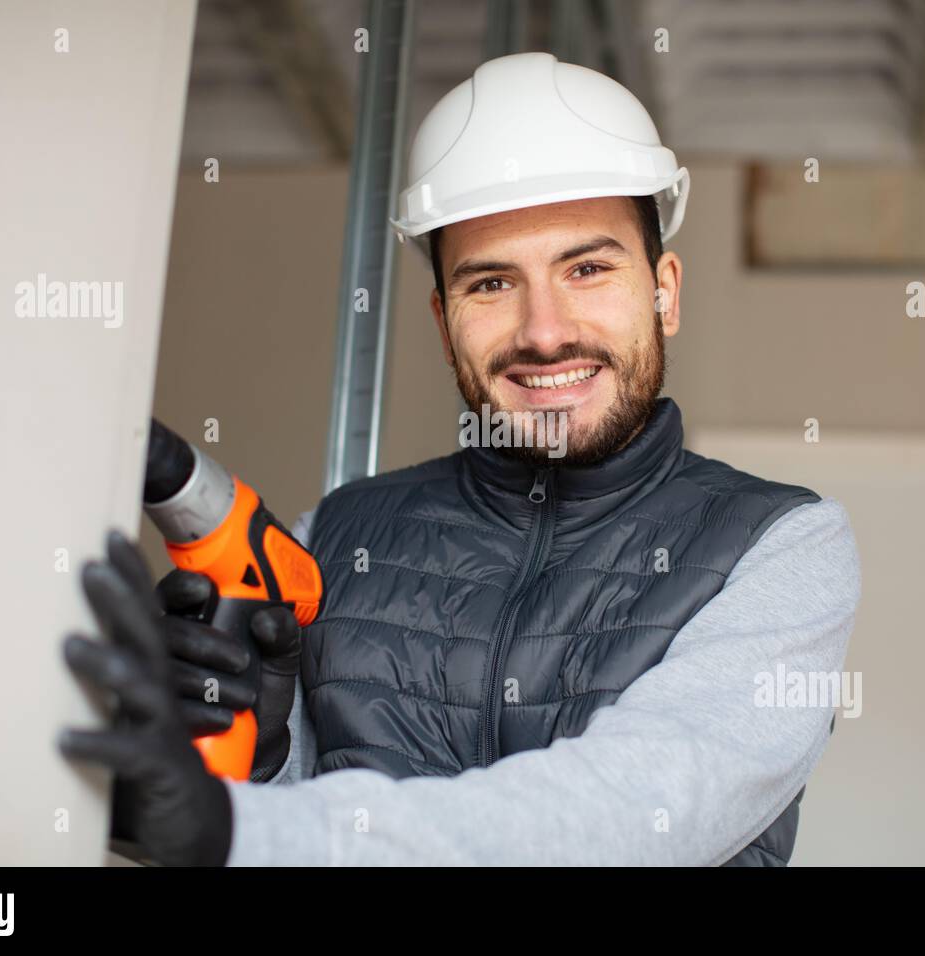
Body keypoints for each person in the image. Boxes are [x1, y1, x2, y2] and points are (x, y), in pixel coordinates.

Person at [59, 52, 861, 866]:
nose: (545, 330)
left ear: (666, 292)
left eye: (587, 269)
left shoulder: (782, 546)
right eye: (490, 285)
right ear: (445, 326)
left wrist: (232, 830)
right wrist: (258, 763)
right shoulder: (335, 535)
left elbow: (642, 809)